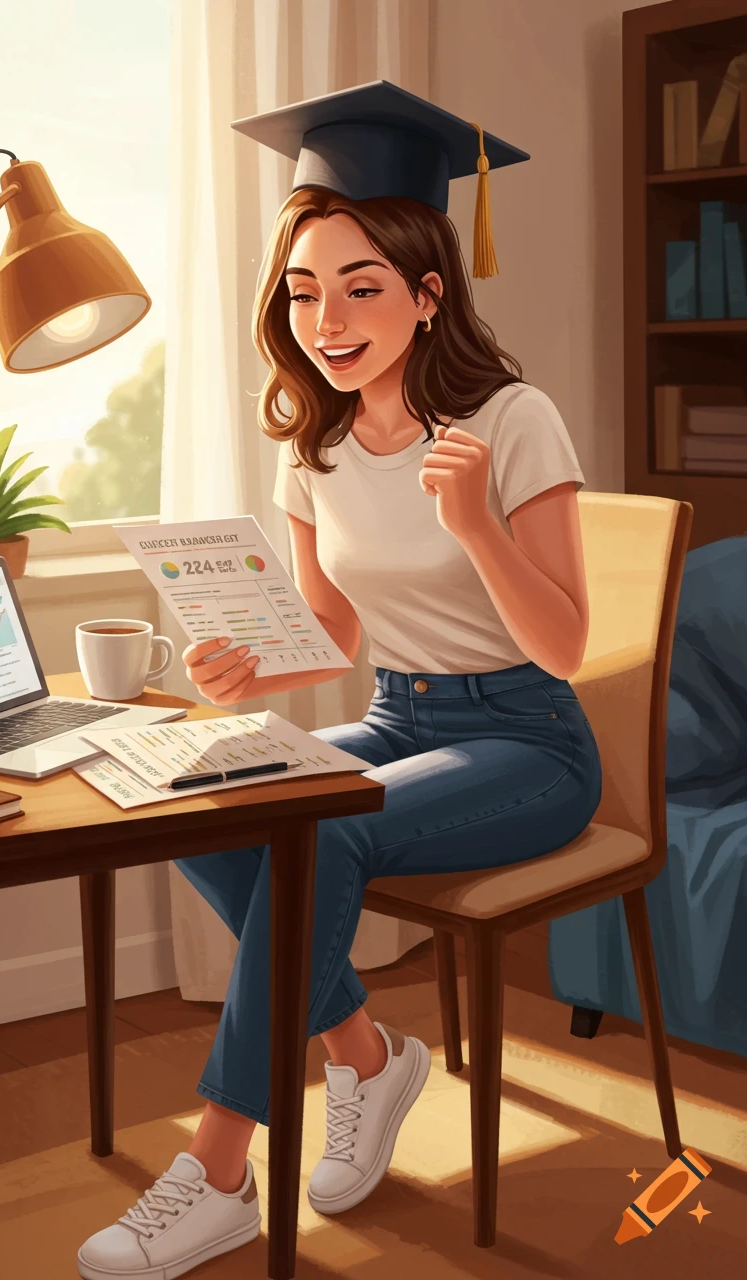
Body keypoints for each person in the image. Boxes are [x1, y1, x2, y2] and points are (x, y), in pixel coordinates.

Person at [77, 81, 602, 1280]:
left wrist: (475, 523)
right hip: (394, 713)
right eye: (304, 290)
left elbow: (566, 644)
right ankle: (364, 1055)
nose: (328, 317)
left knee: (329, 835)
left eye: (362, 285)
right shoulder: (309, 442)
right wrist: (244, 663)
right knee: (205, 801)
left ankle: (214, 1167)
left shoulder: (511, 420)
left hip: (527, 737)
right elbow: (330, 629)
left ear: (428, 292)